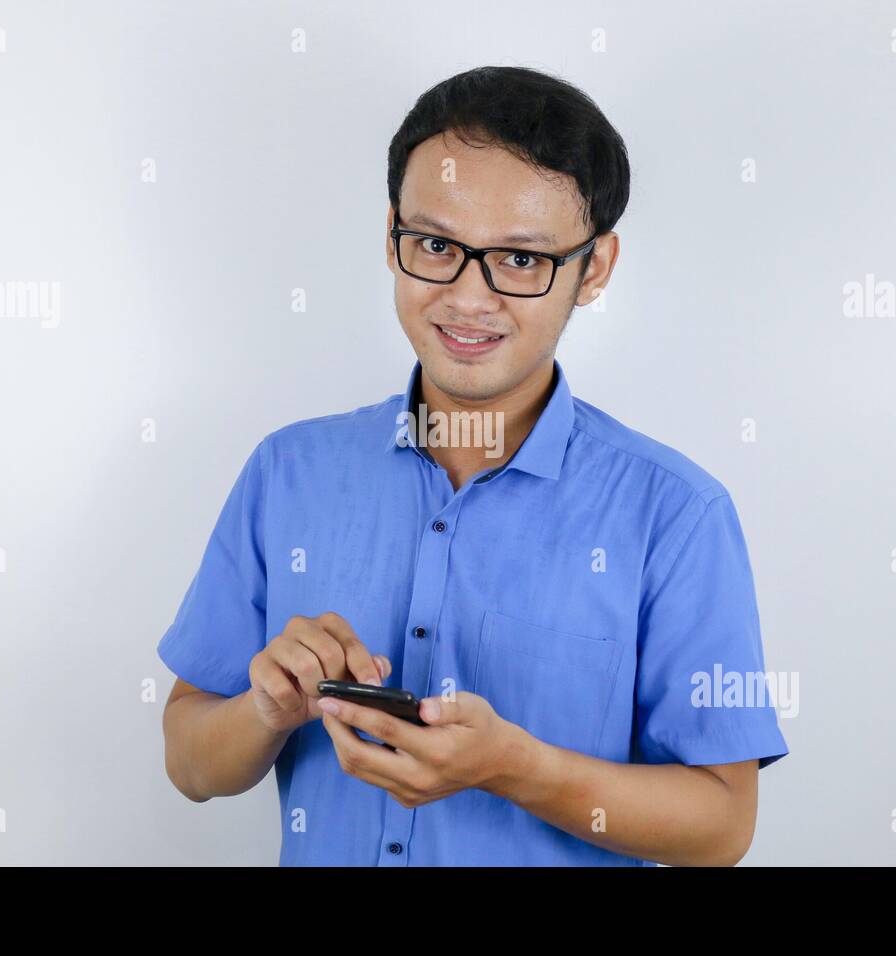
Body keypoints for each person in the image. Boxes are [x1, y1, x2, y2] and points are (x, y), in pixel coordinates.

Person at [157, 65, 788, 866]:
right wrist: (267, 708)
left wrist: (519, 770)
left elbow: (723, 825)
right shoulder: (288, 471)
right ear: (393, 237)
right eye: (435, 244)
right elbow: (188, 762)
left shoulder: (676, 515)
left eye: (521, 261)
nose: (467, 297)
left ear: (594, 269)